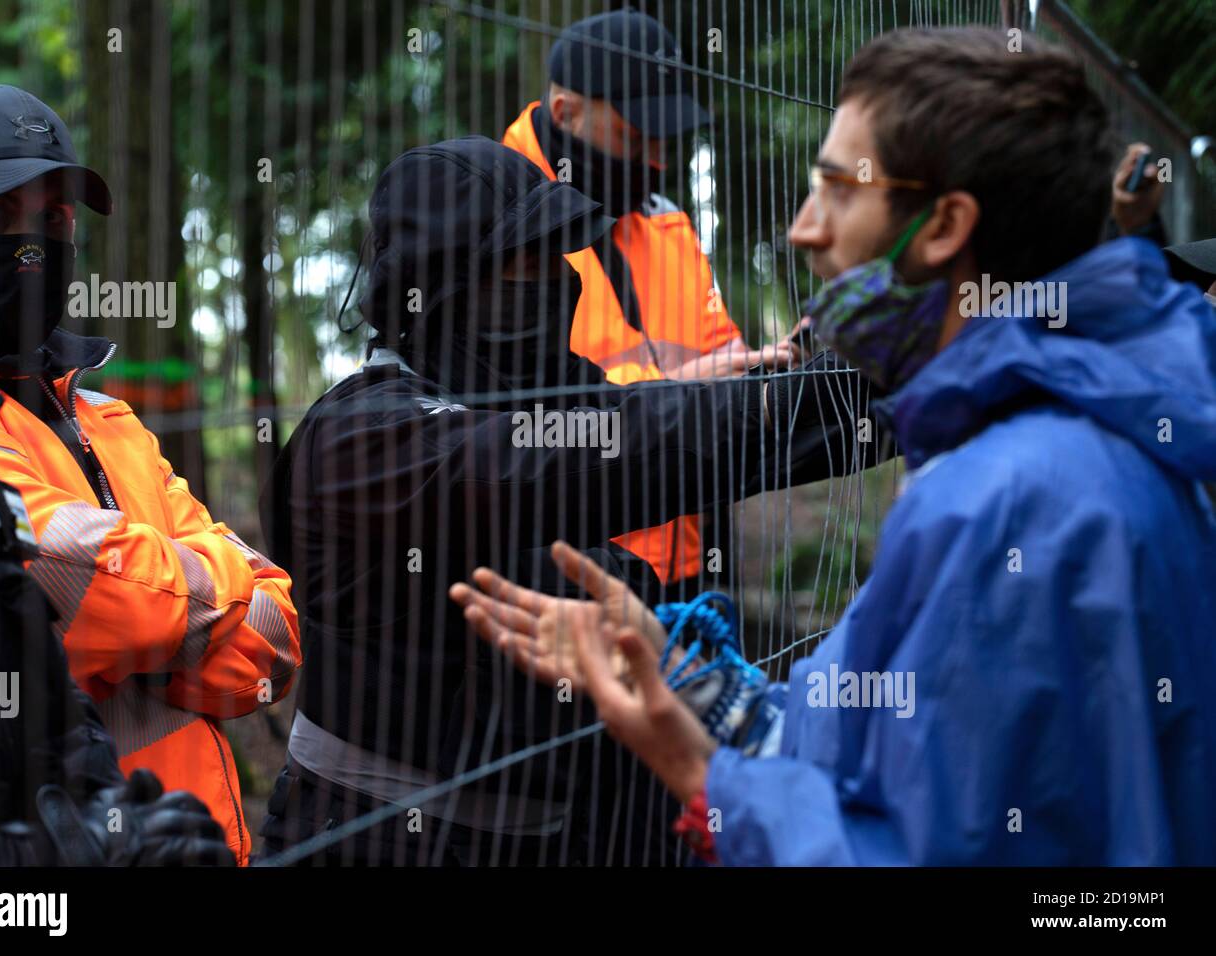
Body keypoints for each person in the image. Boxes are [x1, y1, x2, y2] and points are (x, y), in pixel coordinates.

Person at [453, 27, 1216, 865]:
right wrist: (691, 680)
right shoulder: (1048, 440)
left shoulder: (1006, 502)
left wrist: (707, 782)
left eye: (836, 190)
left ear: (944, 226)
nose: (802, 230)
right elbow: (893, 745)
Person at [258, 135, 879, 865]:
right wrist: (801, 401)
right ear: (442, 285)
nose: (555, 279)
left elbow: (659, 425)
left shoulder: (537, 389)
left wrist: (886, 383)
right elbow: (610, 454)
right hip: (376, 842)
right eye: (524, 263)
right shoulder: (363, 435)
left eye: (557, 256)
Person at [0, 84, 301, 865]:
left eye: (55, 218)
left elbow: (278, 633)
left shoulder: (106, 414)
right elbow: (79, 588)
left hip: (196, 842)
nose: (33, 244)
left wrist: (147, 634)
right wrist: (208, 599)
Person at [503, 9, 793, 588]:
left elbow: (724, 356)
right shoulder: (497, 231)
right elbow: (506, 414)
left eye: (664, 138)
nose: (657, 160)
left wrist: (775, 364)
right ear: (565, 113)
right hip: (564, 573)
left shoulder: (667, 223)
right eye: (635, 137)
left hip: (687, 556)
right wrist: (679, 386)